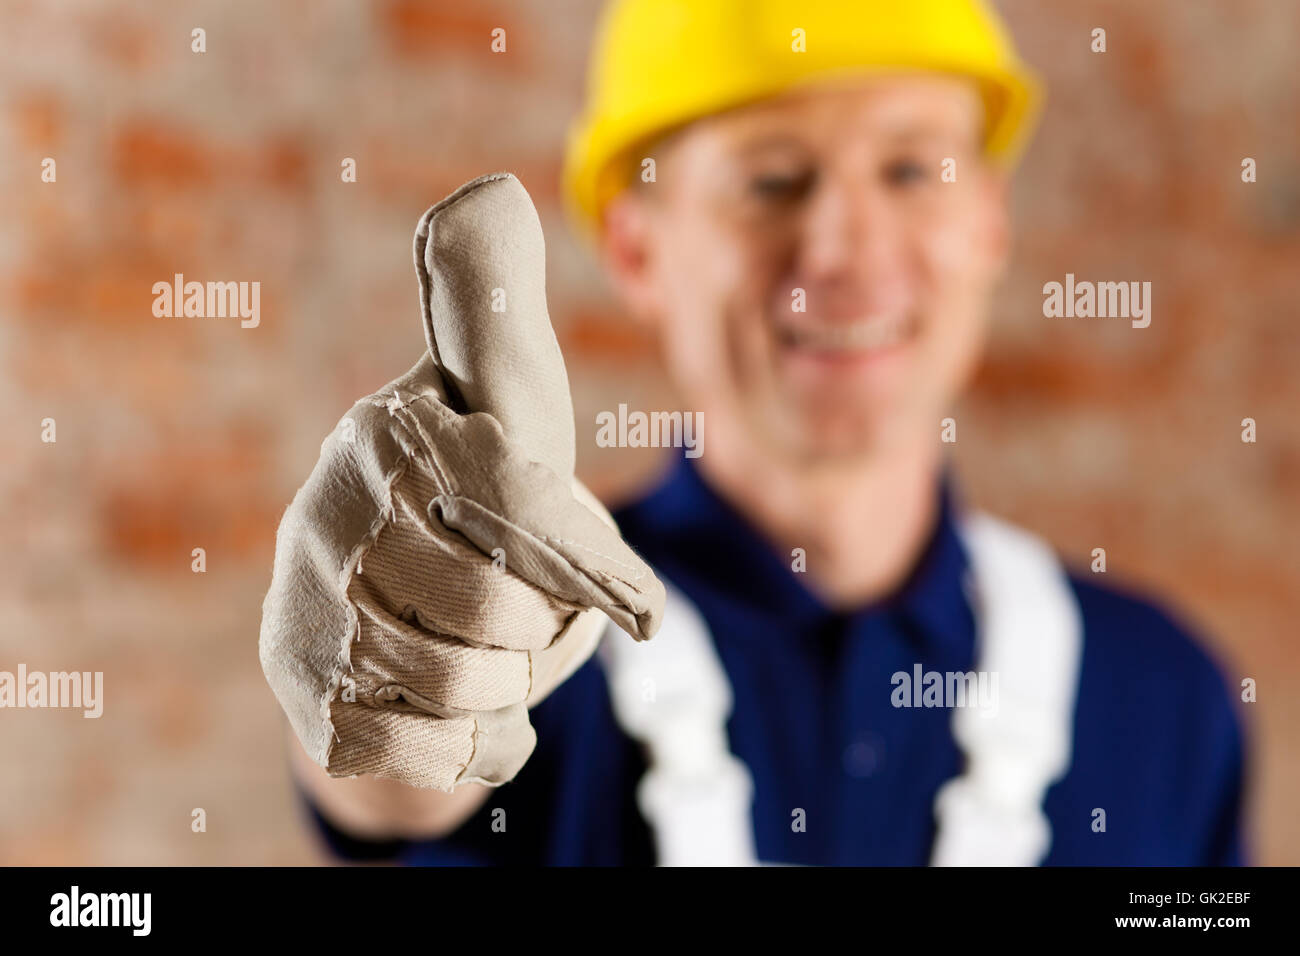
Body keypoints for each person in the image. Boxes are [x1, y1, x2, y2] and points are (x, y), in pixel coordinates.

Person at [265, 0, 1247, 866]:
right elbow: (393, 795)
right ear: (636, 247)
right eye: (771, 180)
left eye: (910, 167)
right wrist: (382, 676)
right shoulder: (517, 637)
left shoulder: (1162, 700)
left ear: (989, 221)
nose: (846, 247)